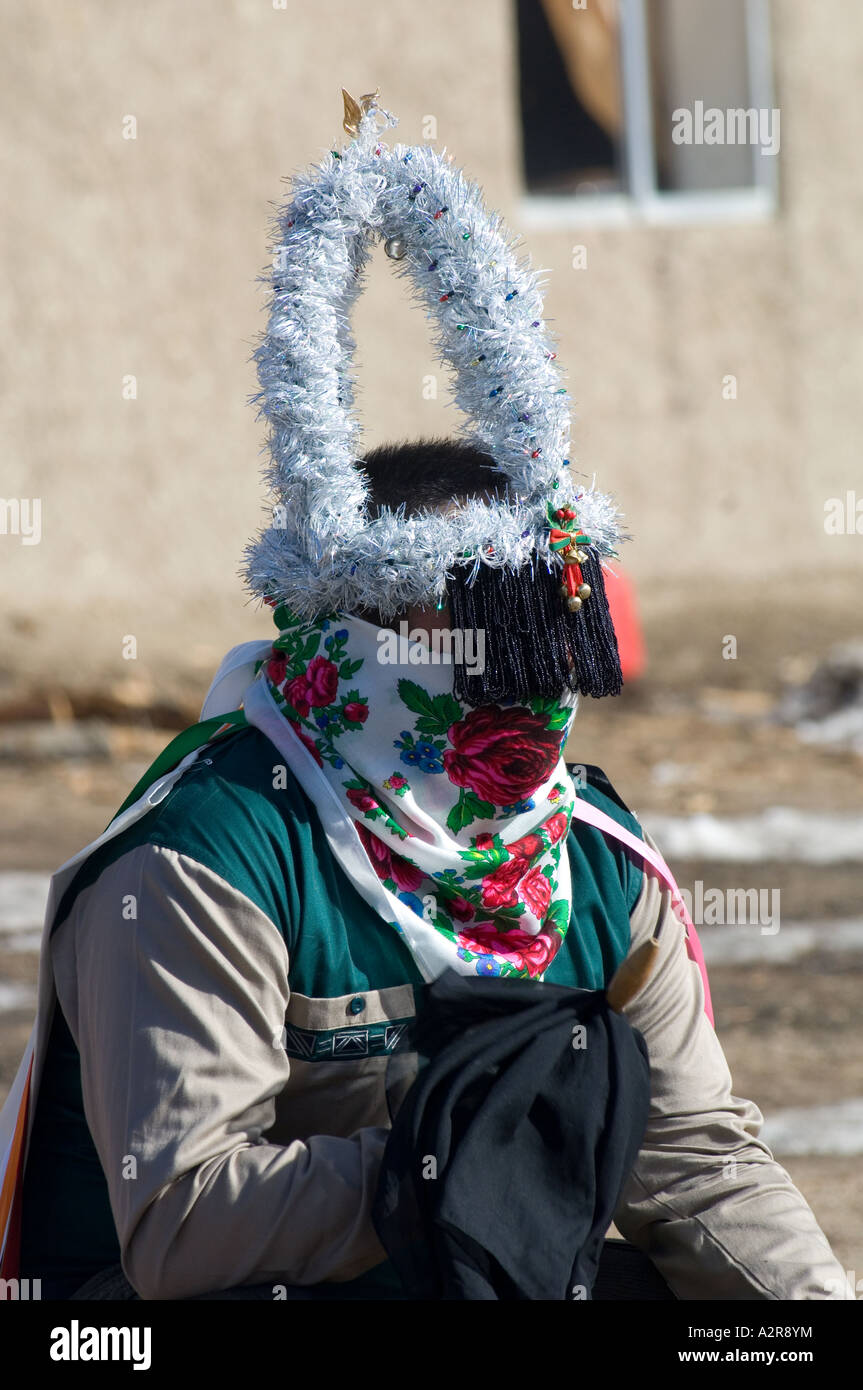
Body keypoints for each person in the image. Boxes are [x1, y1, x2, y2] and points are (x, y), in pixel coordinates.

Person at [12, 439, 850, 1301]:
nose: (527, 695)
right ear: (365, 646)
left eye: (544, 649)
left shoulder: (597, 862)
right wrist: (454, 1155)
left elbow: (694, 1164)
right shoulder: (207, 856)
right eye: (490, 646)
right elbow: (185, 1226)